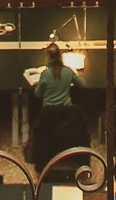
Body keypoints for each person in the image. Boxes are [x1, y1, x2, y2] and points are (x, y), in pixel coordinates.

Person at [31, 40, 87, 173]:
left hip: (49, 116)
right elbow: (83, 85)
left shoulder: (45, 74)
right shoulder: (68, 72)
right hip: (68, 115)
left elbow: (37, 94)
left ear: (49, 57)